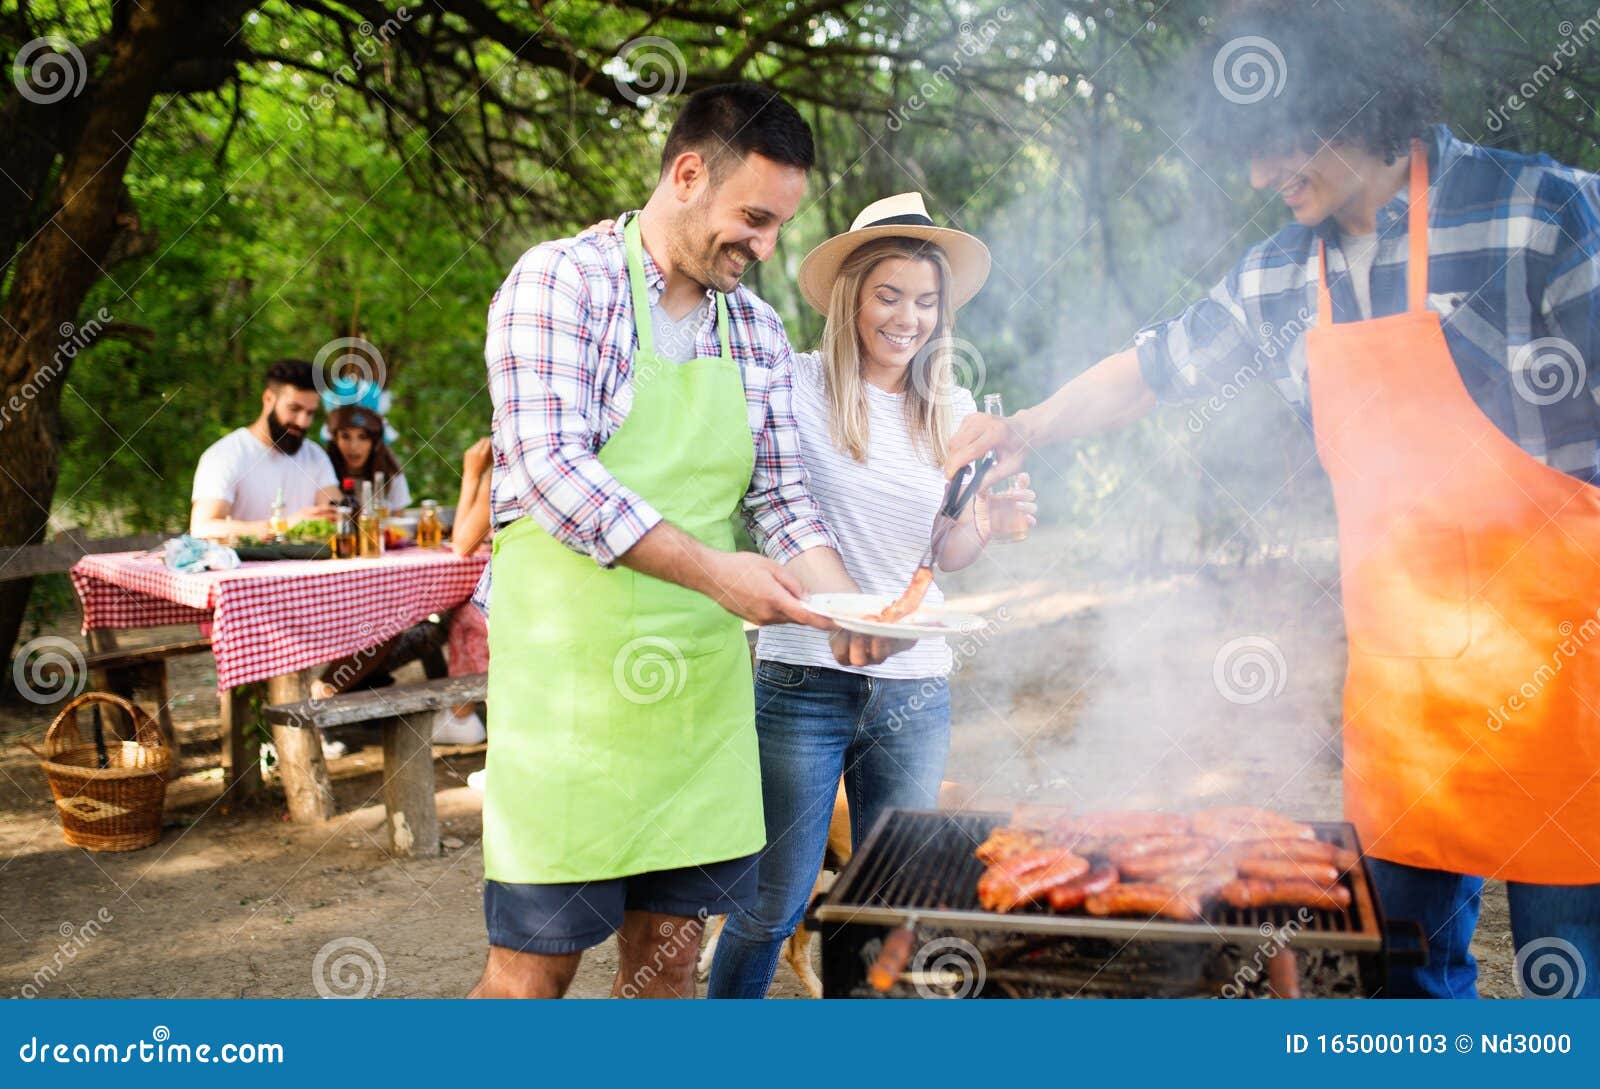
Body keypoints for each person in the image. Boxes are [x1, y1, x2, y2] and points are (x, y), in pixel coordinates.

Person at [947, 0, 1600, 999]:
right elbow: (1152, 368)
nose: (1259, 176)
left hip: (1568, 687)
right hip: (1409, 699)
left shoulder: (1540, 214)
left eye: (1277, 144)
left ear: (1354, 102)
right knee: (1403, 979)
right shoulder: (1283, 277)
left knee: (1573, 985)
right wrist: (1024, 426)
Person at [468, 83, 910, 1000]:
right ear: (687, 174)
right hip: (569, 699)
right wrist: (716, 572)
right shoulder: (561, 283)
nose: (766, 246)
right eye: (754, 218)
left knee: (667, 962)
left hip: (694, 704)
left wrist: (848, 611)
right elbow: (551, 471)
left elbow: (782, 501)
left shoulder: (754, 330)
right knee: (533, 973)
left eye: (779, 224)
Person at [707, 193, 1036, 997]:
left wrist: (987, 523)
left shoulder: (954, 410)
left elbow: (944, 550)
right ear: (852, 296)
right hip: (803, 679)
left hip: (914, 687)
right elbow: (769, 503)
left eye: (925, 301)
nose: (908, 318)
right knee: (774, 902)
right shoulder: (793, 384)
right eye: (889, 295)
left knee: (892, 902)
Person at [190, 358, 339, 538]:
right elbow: (203, 527)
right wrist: (281, 526)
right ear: (268, 398)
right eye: (294, 409)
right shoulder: (225, 454)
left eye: (310, 413)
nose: (302, 422)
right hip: (244, 557)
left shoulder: (315, 456)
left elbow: (337, 516)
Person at [325, 404, 411, 509]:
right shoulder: (322, 471)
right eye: (345, 436)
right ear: (335, 440)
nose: (353, 446)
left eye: (363, 437)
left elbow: (398, 517)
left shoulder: (391, 473)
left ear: (374, 443)